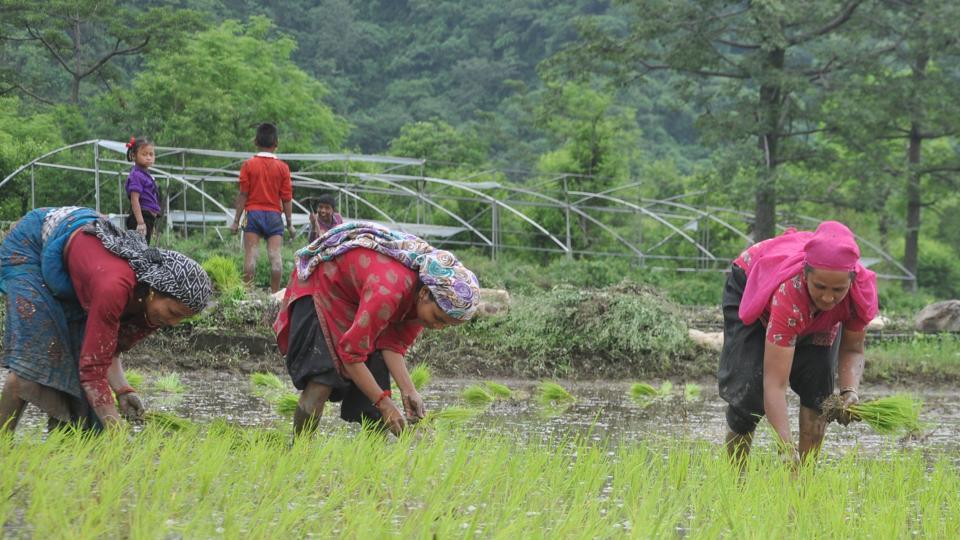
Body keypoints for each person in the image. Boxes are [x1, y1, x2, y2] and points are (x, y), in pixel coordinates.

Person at [0, 207, 212, 431]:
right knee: (36, 359)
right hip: (32, 246)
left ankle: (68, 445)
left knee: (80, 361)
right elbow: (92, 370)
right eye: (173, 313)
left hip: (77, 267)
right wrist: (117, 432)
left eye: (181, 318)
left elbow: (106, 348)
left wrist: (123, 390)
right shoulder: (114, 287)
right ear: (155, 290)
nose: (173, 322)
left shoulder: (148, 303)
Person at [273, 222, 481, 437]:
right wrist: (384, 404)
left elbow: (393, 346)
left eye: (446, 324)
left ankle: (371, 456)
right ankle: (300, 448)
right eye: (438, 318)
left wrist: (409, 391)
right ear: (425, 293)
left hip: (357, 298)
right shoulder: (389, 292)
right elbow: (351, 354)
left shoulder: (419, 302)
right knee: (323, 378)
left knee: (378, 375)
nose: (438, 327)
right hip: (324, 287)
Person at [718, 221, 878, 465]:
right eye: (820, 286)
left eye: (838, 289)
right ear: (806, 274)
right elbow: (775, 383)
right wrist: (785, 447)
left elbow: (853, 348)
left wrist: (849, 391)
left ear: (851, 282)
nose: (827, 297)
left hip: (810, 314)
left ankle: (803, 482)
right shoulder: (790, 294)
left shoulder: (858, 294)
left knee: (819, 393)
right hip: (753, 283)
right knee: (749, 392)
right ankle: (735, 478)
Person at [229, 122, 294, 292]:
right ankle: (274, 296)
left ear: (256, 141)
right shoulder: (283, 168)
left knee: (251, 255)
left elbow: (243, 194)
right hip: (274, 216)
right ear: (276, 144)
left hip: (253, 214)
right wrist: (290, 223)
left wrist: (236, 221)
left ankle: (248, 295)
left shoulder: (248, 165)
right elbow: (286, 198)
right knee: (275, 256)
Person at [124, 136, 162, 243]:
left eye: (151, 154)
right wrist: (140, 223)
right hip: (141, 218)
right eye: (144, 154)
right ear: (134, 155)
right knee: (139, 251)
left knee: (143, 249)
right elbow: (134, 199)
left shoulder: (145, 174)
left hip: (147, 218)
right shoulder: (136, 175)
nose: (149, 157)